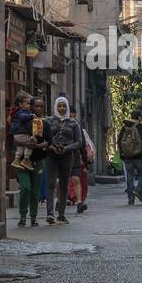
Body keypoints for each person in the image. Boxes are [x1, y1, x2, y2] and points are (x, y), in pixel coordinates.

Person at [42, 96, 82, 225]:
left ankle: (61, 214)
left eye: (64, 106)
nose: (62, 108)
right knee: (51, 183)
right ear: (55, 106)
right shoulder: (48, 121)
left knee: (64, 184)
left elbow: (79, 142)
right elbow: (42, 139)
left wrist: (66, 148)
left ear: (67, 107)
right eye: (59, 106)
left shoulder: (73, 123)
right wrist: (52, 147)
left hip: (67, 156)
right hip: (51, 155)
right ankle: (50, 214)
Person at [15, 97, 48, 226]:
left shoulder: (44, 123)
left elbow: (48, 140)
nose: (38, 109)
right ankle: (22, 215)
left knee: (35, 191)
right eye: (35, 106)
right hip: (22, 160)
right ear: (30, 107)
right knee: (25, 188)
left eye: (41, 107)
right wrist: (26, 142)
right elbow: (14, 138)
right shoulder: (20, 120)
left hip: (38, 159)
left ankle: (33, 217)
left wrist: (38, 146)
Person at [116, 114, 142, 205]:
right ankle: (138, 190)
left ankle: (130, 198)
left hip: (127, 157)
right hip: (139, 157)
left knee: (129, 176)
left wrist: (122, 154)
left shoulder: (125, 128)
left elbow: (119, 141)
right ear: (139, 117)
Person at [69, 105, 93, 214]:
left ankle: (79, 202)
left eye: (74, 117)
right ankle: (61, 200)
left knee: (77, 180)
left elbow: (83, 145)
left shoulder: (79, 128)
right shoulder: (57, 125)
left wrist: (86, 162)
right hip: (61, 158)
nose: (72, 119)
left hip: (76, 160)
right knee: (61, 182)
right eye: (70, 116)